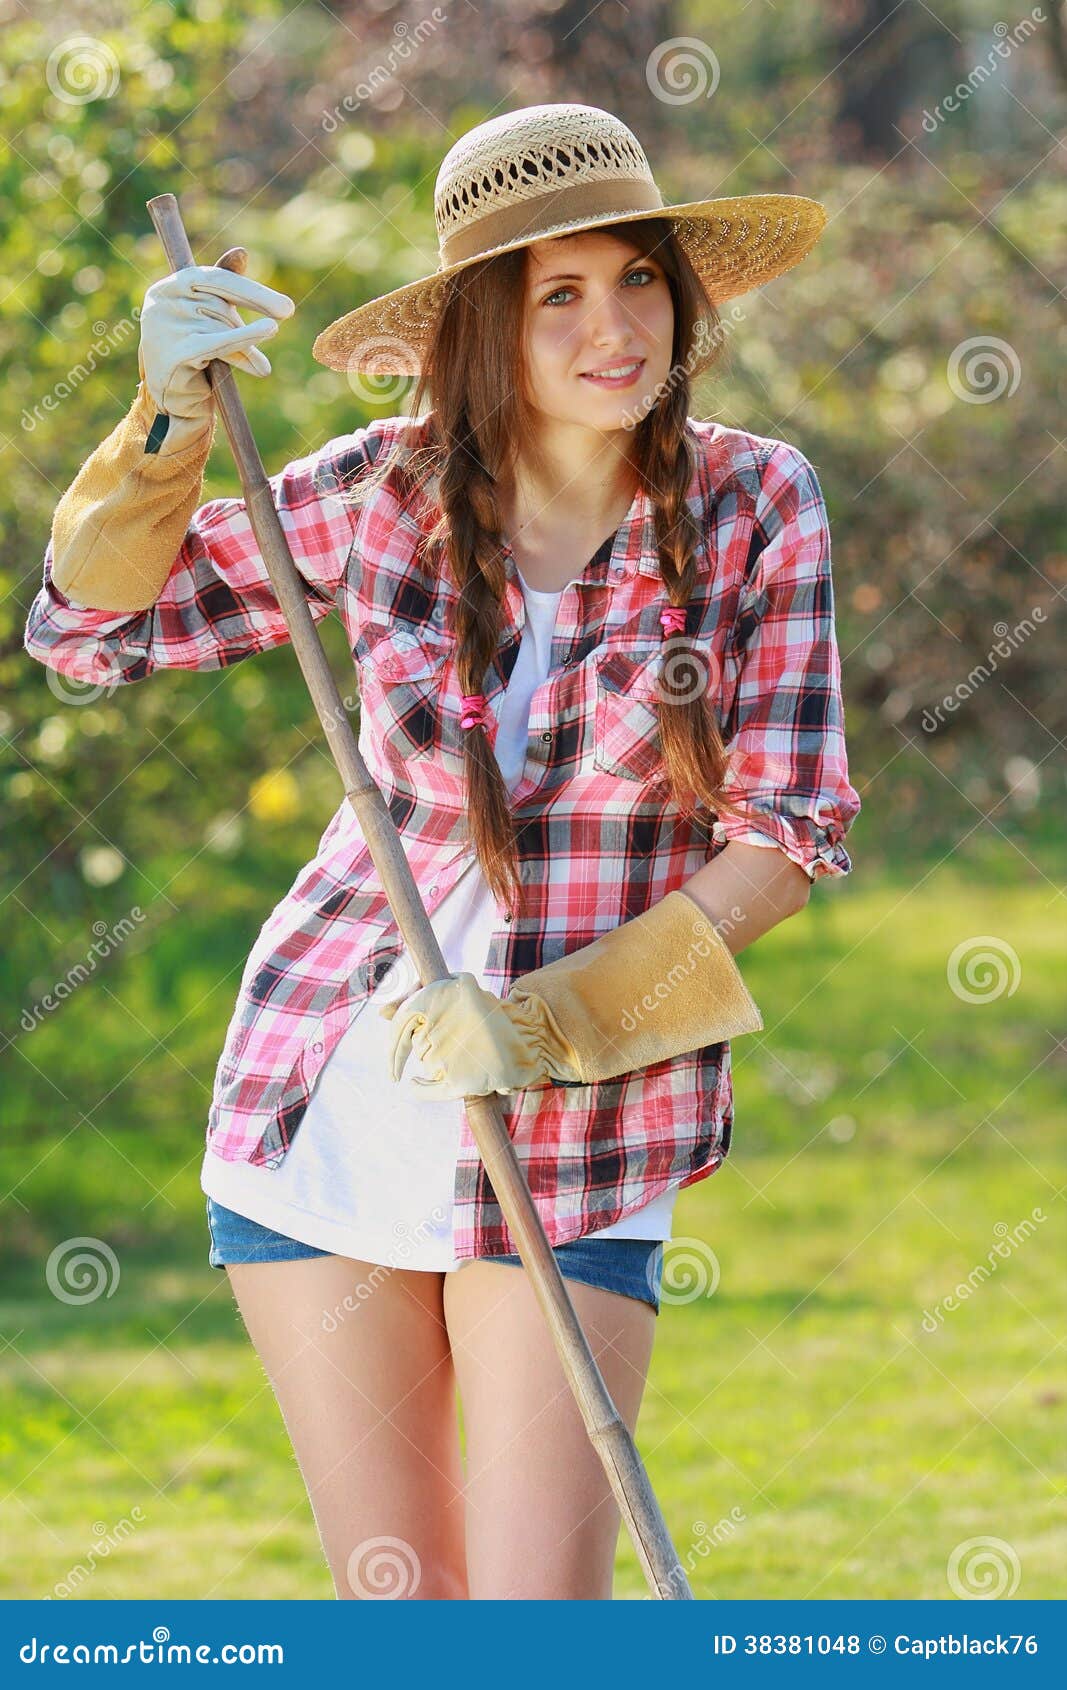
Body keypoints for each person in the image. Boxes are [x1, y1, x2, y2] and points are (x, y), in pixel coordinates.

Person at [23, 103, 861, 1600]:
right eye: (559, 294)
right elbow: (90, 635)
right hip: (326, 1105)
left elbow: (787, 832)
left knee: (543, 1618)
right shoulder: (379, 492)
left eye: (641, 280)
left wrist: (554, 1019)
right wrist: (163, 425)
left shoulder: (750, 503)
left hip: (583, 1126)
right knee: (405, 1611)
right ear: (484, 323)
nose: (617, 328)